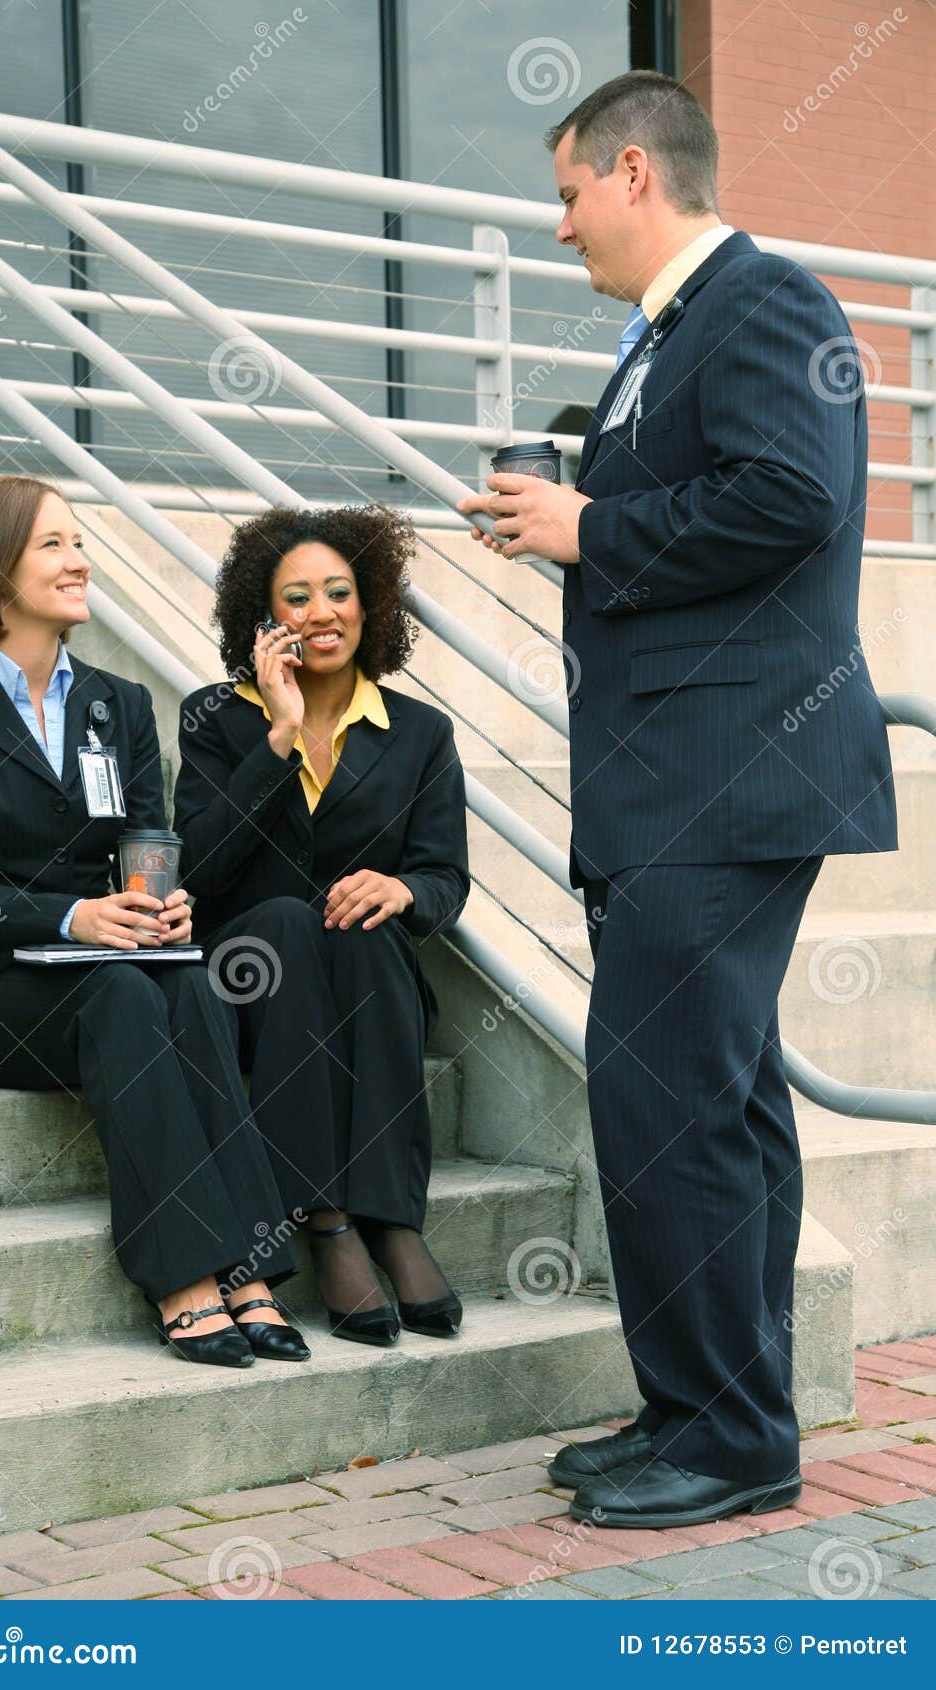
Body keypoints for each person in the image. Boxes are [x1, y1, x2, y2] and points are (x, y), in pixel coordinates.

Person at [458, 70, 897, 1528]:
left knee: (664, 1108)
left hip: (727, 779)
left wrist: (592, 524)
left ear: (633, 172)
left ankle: (723, 1438)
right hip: (683, 782)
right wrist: (580, 527)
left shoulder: (764, 303)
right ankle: (706, 1409)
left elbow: (791, 494)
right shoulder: (661, 337)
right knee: (712, 1103)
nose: (560, 224)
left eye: (568, 192)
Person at [0, 473, 309, 1368]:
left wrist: (162, 899)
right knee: (123, 990)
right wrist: (76, 915)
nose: (80, 560)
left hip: (103, 965)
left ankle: (252, 1268)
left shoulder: (116, 702)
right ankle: (184, 1276)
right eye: (53, 544)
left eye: (78, 541)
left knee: (187, 984)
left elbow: (145, 843)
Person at [173, 505, 470, 1347]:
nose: (321, 612)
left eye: (338, 592)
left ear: (369, 603)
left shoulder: (419, 733)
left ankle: (391, 1218)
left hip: (364, 977)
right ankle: (329, 1216)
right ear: (263, 620)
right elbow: (197, 870)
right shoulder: (214, 718)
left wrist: (404, 890)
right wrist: (277, 736)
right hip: (251, 972)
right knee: (289, 924)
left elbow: (446, 875)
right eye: (296, 598)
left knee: (369, 926)